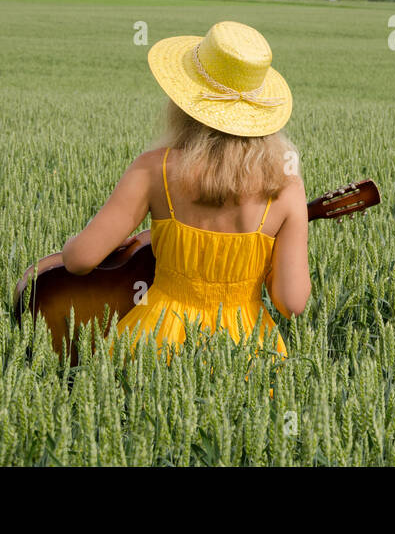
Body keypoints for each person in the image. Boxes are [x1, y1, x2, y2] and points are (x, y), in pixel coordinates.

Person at [60, 20, 309, 361]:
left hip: (157, 342)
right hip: (248, 354)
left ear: (185, 101)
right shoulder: (287, 186)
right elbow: (292, 302)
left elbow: (78, 261)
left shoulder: (153, 169)